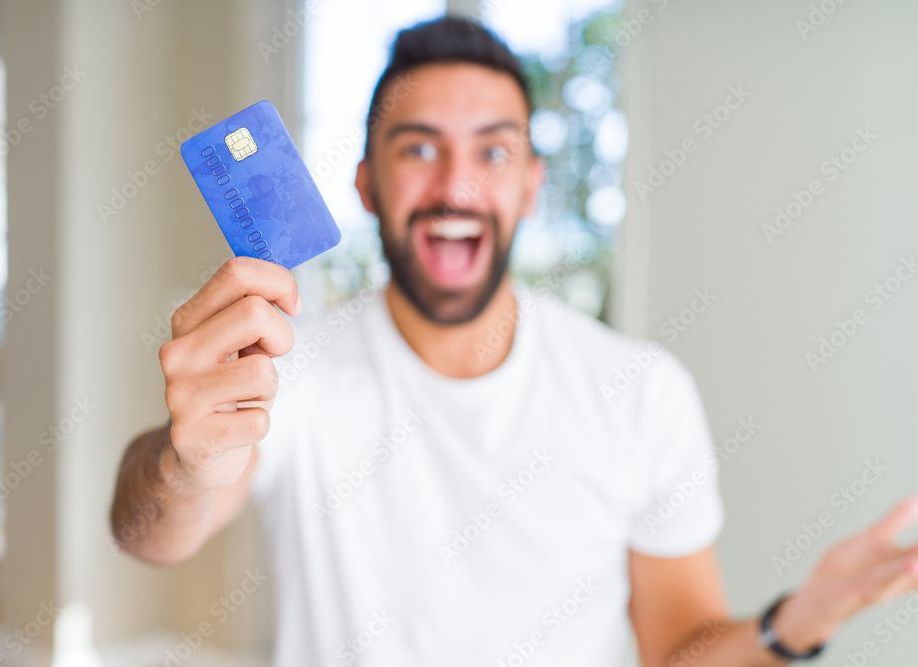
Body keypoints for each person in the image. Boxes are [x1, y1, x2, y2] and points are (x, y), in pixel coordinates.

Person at [110, 16, 918, 666]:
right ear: (366, 183)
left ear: (532, 184)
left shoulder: (639, 390)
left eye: (492, 151)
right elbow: (149, 533)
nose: (455, 185)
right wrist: (184, 465)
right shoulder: (291, 369)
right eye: (418, 147)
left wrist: (798, 622)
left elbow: (679, 650)